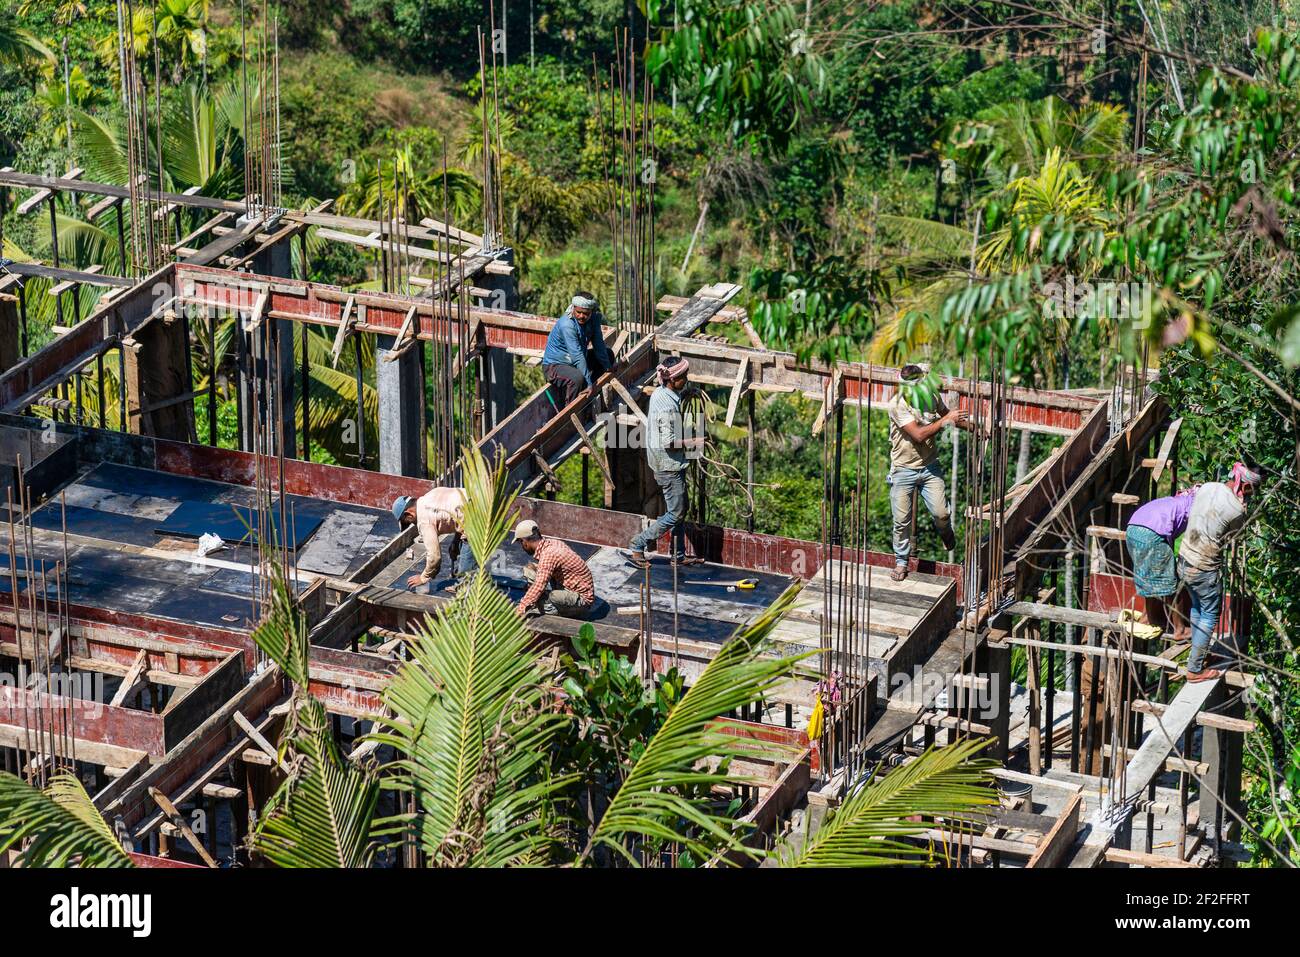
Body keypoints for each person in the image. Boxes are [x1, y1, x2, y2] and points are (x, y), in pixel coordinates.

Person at [887, 363, 973, 582]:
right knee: (901, 520)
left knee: (941, 514)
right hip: (903, 469)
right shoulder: (897, 405)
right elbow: (918, 435)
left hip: (929, 466)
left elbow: (948, 415)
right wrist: (945, 420)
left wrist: (975, 428)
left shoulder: (931, 396)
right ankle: (901, 562)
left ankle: (946, 534)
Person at [1176, 462, 1260, 682]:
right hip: (1204, 566)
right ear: (1245, 484)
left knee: (1197, 607)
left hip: (1184, 558)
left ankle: (1198, 657)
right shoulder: (1236, 509)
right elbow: (1233, 537)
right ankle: (1195, 669)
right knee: (1210, 614)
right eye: (1252, 489)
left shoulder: (1207, 487)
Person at [628, 357, 705, 568]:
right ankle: (639, 543)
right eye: (683, 378)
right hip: (668, 465)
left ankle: (677, 556)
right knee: (677, 512)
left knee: (680, 508)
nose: (686, 380)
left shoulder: (662, 393)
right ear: (673, 380)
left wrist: (686, 394)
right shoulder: (667, 407)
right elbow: (669, 443)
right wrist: (695, 441)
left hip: (666, 462)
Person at [1124, 486, 1199, 643]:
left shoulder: (1176, 501)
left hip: (1132, 530)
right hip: (1152, 534)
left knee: (1148, 578)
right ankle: (1180, 630)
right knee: (1173, 584)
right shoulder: (1194, 506)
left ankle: (1149, 618)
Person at [541, 291, 614, 411]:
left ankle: (592, 393)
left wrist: (608, 366)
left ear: (591, 312)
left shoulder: (594, 318)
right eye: (578, 312)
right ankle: (570, 412)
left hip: (577, 361)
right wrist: (588, 381)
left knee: (608, 355)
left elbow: (598, 344)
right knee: (577, 378)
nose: (581, 316)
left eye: (585, 313)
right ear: (573, 308)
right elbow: (576, 355)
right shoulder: (567, 324)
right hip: (555, 366)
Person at [391, 487, 475, 590]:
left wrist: (424, 577)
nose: (413, 524)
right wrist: (456, 541)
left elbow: (434, 556)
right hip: (481, 499)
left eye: (408, 522)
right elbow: (459, 511)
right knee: (465, 543)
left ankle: (465, 586)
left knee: (469, 544)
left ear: (409, 514)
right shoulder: (430, 496)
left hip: (478, 518)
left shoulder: (424, 520)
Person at [514, 519, 596, 619]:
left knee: (552, 596)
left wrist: (521, 608)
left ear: (524, 542)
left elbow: (539, 585)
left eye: (520, 543)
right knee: (530, 569)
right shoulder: (552, 543)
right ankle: (539, 601)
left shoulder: (549, 554)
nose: (522, 546)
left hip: (582, 601)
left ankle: (548, 608)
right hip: (569, 590)